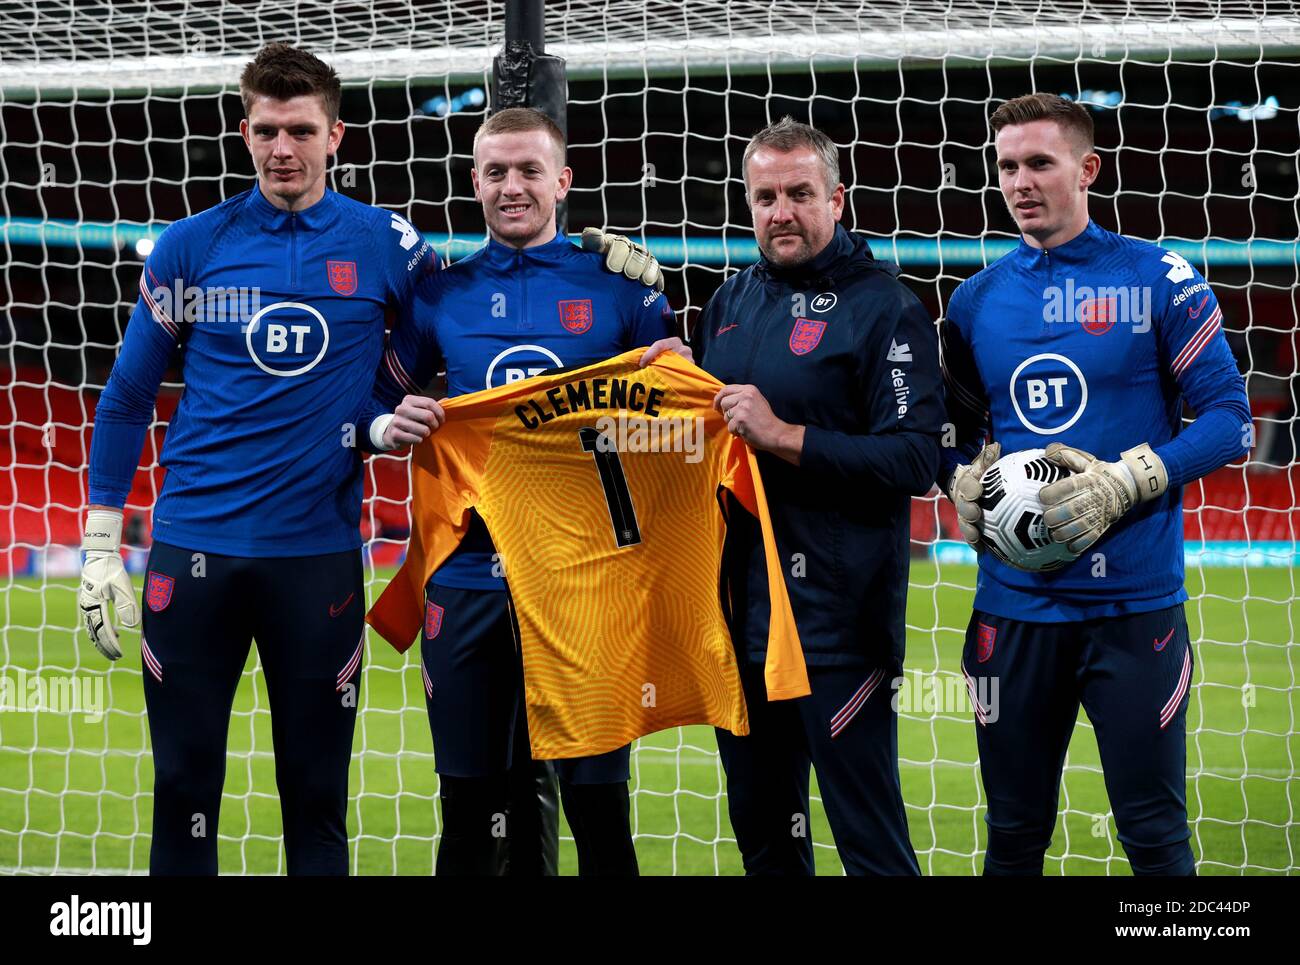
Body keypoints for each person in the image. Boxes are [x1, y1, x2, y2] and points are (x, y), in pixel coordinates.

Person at [79, 44, 650, 875]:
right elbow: (129, 395)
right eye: (268, 130)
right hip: (192, 554)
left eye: (301, 130)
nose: (284, 148)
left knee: (318, 802)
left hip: (318, 561)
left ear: (335, 134)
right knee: (183, 788)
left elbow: (481, 301)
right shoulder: (188, 249)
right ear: (244, 133)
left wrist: (601, 257)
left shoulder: (390, 246)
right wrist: (100, 543)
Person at [940, 93, 1251, 875]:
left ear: (1088, 169)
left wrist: (1133, 477)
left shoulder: (1156, 277)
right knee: (1012, 834)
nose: (1020, 180)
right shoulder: (974, 300)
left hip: (1133, 610)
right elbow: (950, 430)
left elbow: (1227, 417)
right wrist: (958, 476)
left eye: (1040, 162)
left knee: (1153, 836)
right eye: (1007, 165)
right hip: (1012, 612)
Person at [363, 107, 679, 876]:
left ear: (563, 181)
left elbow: (673, 424)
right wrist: (385, 423)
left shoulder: (622, 290)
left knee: (600, 812)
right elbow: (372, 398)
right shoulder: (438, 296)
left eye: (530, 170)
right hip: (468, 580)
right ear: (474, 182)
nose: (513, 187)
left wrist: (659, 385)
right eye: (496, 172)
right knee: (468, 815)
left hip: (586, 580)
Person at [689, 116, 943, 875]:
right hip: (741, 616)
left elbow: (915, 457)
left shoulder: (886, 308)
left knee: (869, 839)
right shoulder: (728, 302)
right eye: (765, 196)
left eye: (800, 192)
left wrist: (784, 436)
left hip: (839, 620)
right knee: (765, 833)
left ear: (839, 197)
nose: (781, 211)